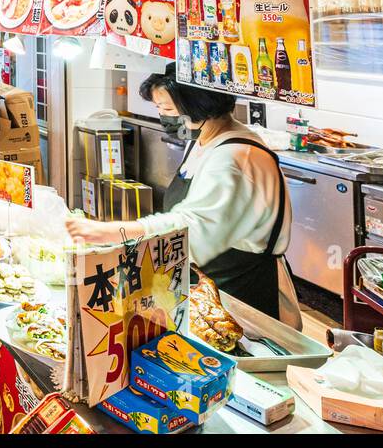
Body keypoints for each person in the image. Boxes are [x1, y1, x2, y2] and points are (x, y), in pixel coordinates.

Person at [66, 64, 299, 325]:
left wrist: (110, 233)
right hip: (207, 286)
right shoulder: (203, 141)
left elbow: (191, 226)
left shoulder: (236, 157)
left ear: (198, 105)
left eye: (166, 109)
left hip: (240, 296)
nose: (163, 116)